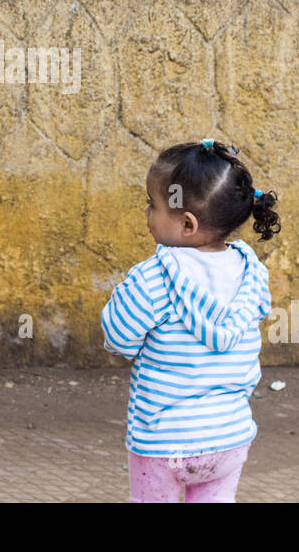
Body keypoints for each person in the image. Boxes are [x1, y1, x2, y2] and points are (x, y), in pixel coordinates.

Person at [100, 140, 277, 503]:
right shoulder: (253, 275)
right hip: (229, 438)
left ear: (187, 223)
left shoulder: (154, 278)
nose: (147, 212)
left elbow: (118, 337)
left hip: (163, 444)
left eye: (152, 204)